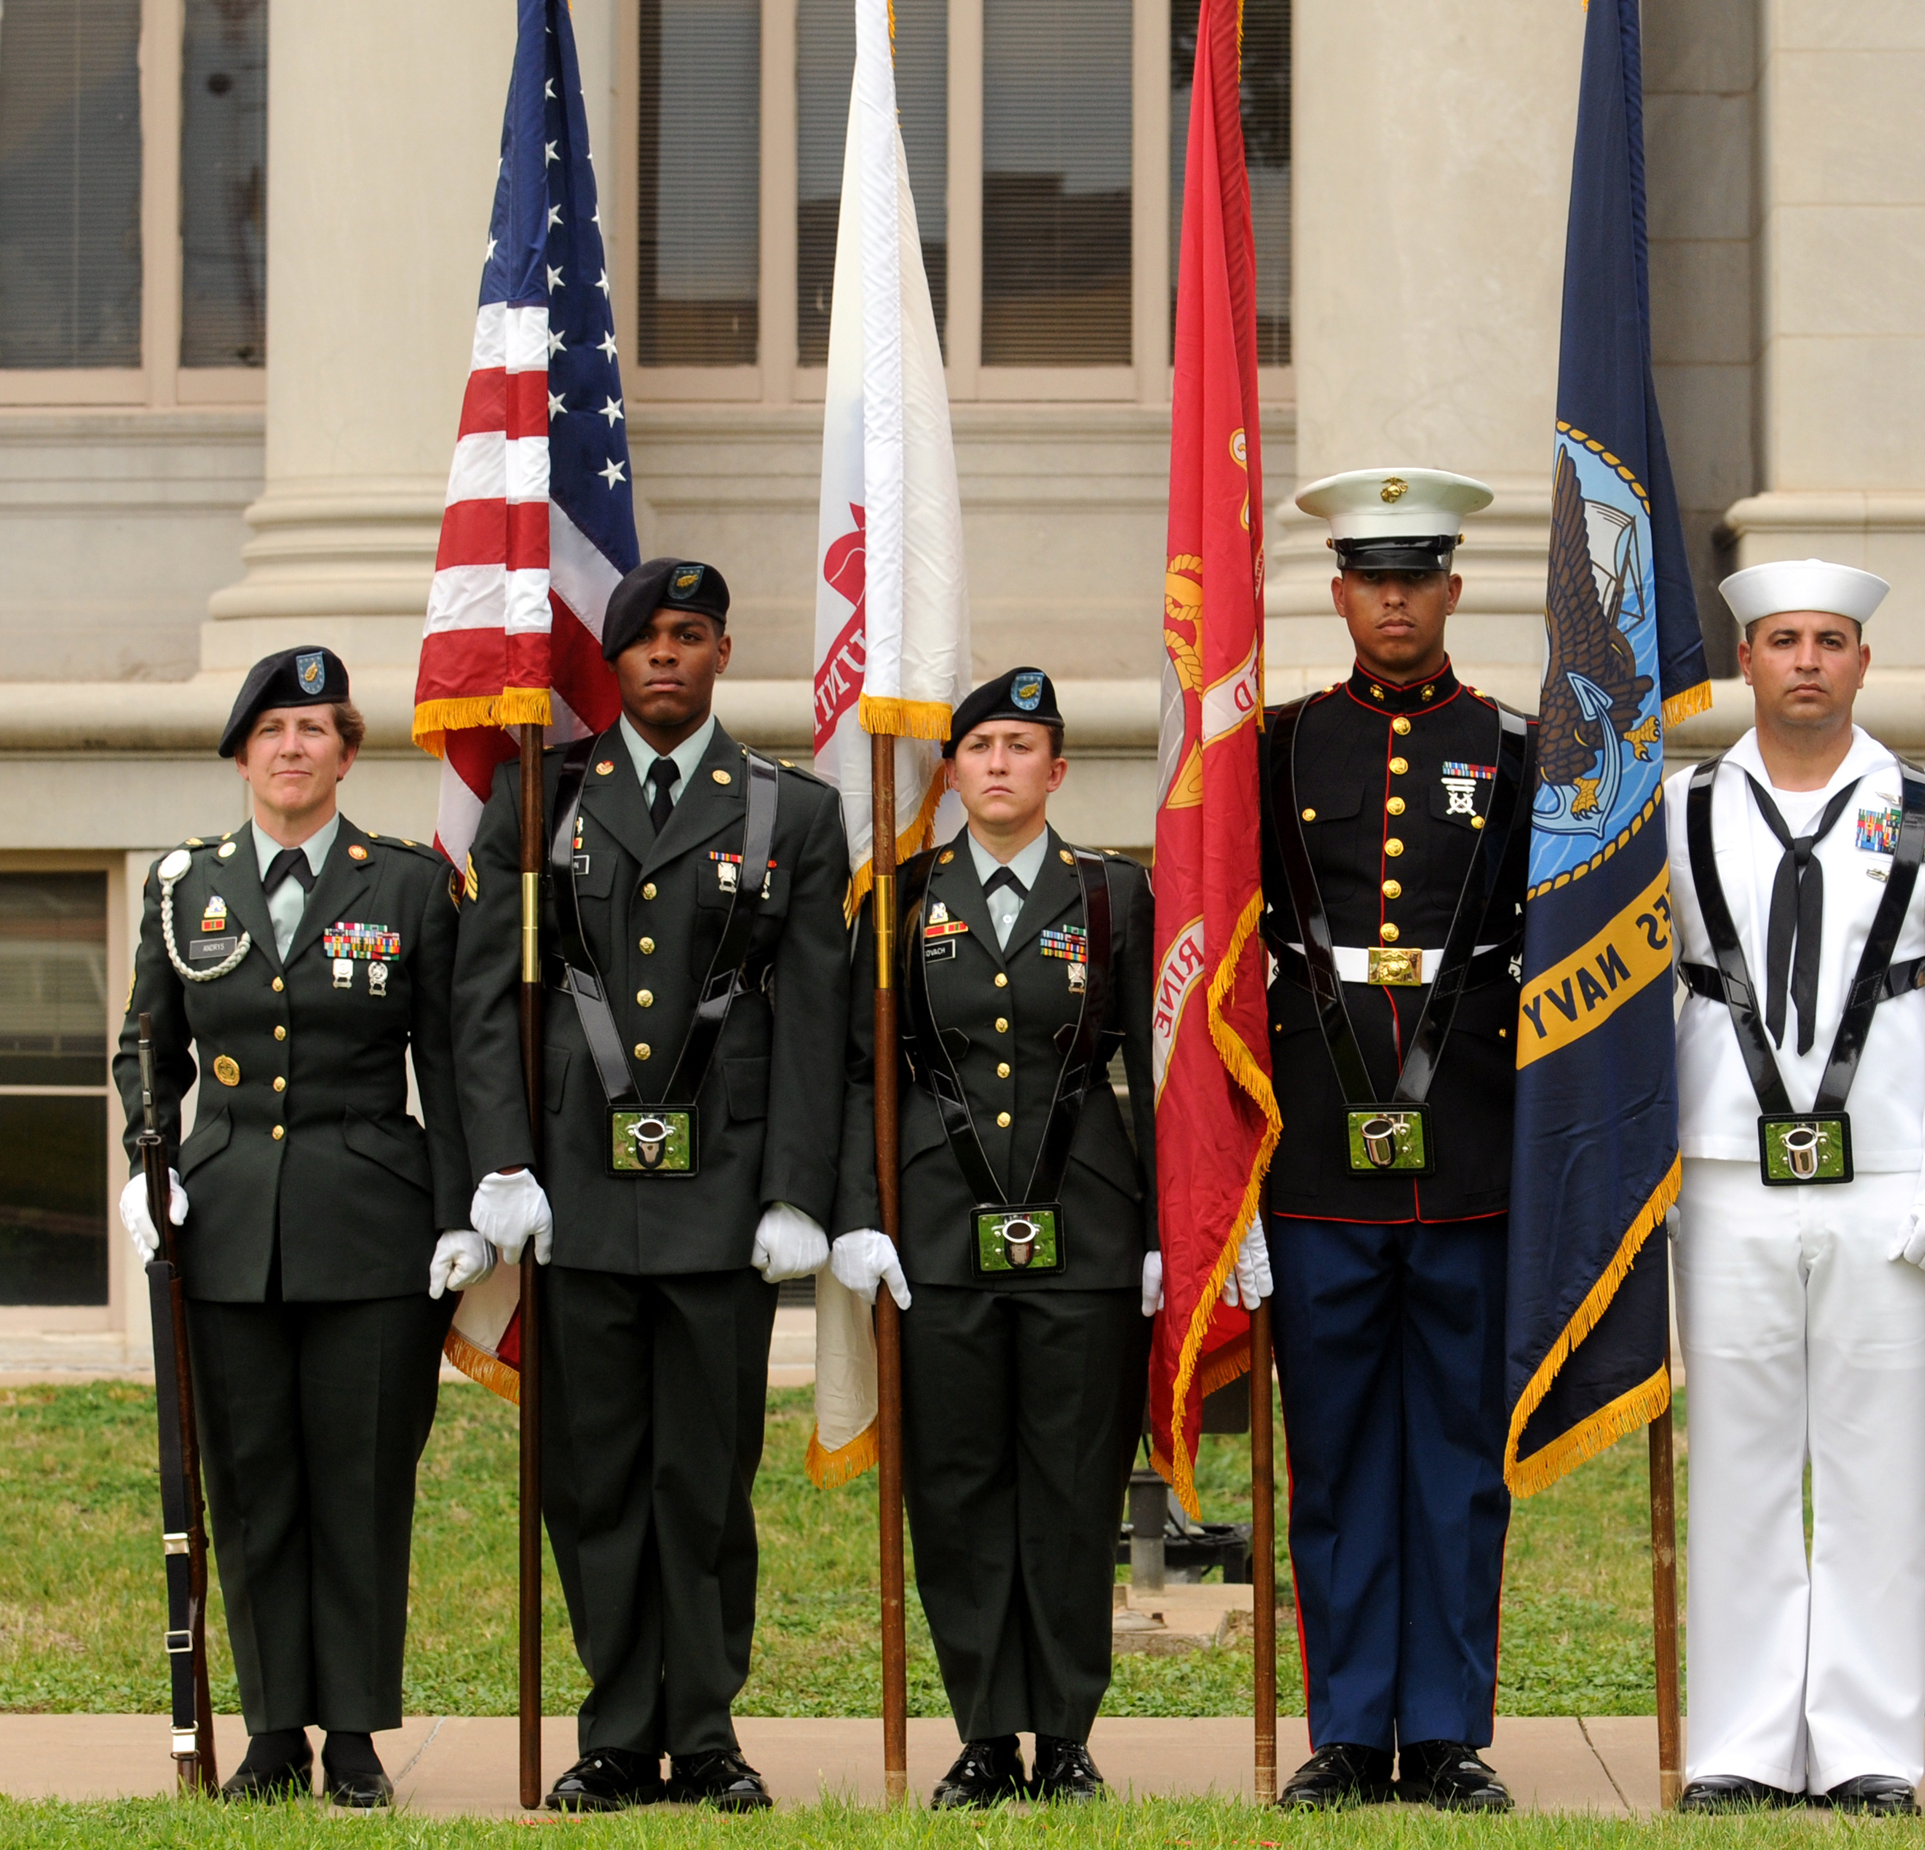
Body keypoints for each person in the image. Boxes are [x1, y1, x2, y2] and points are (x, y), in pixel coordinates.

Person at [453, 558, 852, 1812]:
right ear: (611, 666)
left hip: (723, 1196)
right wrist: (502, 1160)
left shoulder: (790, 813)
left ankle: (711, 1732)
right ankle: (620, 1733)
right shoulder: (540, 798)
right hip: (576, 1190)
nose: (666, 656)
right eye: (644, 641)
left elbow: (818, 1016)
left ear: (725, 654)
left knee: (705, 1480)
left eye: (691, 635)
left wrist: (797, 1189)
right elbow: (485, 1001)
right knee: (596, 1478)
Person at [1664, 560, 1925, 1817]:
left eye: (1831, 640)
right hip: (1725, 1175)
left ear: (1865, 663)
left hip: (1882, 1177)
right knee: (1741, 1465)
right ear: (1746, 662)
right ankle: (1744, 1748)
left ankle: (1872, 1749)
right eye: (1781, 640)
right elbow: (1644, 1000)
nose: (1807, 660)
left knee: (1877, 1469)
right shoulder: (1682, 808)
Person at [112, 645, 485, 1807]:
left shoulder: (412, 886)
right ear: (240, 754)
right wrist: (144, 1160)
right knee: (255, 1484)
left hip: (375, 1230)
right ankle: (275, 1730)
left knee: (363, 1487)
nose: (291, 748)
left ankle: (358, 1736)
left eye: (315, 728)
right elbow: (144, 1044)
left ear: (347, 752)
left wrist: (467, 1205)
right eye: (270, 730)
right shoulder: (184, 886)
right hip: (224, 1231)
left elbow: (452, 1063)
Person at [827, 670, 1157, 1808]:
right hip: (939, 1233)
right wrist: (861, 1220)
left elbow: (1159, 1075)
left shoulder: (1114, 895)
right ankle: (982, 1734)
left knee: (1072, 1486)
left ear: (1058, 771)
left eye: (1024, 747)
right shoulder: (900, 899)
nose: (1002, 764)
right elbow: (859, 1072)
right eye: (982, 748)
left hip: (1090, 1227)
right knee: (958, 1487)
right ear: (951, 770)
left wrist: (1165, 1226)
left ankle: (1063, 1735)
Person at [1252, 467, 1527, 1813]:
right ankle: (1355, 1726)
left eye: (1418, 576)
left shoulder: (1521, 749)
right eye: (1373, 577)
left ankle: (1451, 1729)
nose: (1396, 599)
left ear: (1453, 590)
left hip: (1470, 1144)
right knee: (1339, 1452)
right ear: (1340, 592)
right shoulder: (1276, 746)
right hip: (1314, 1155)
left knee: (1459, 1458)